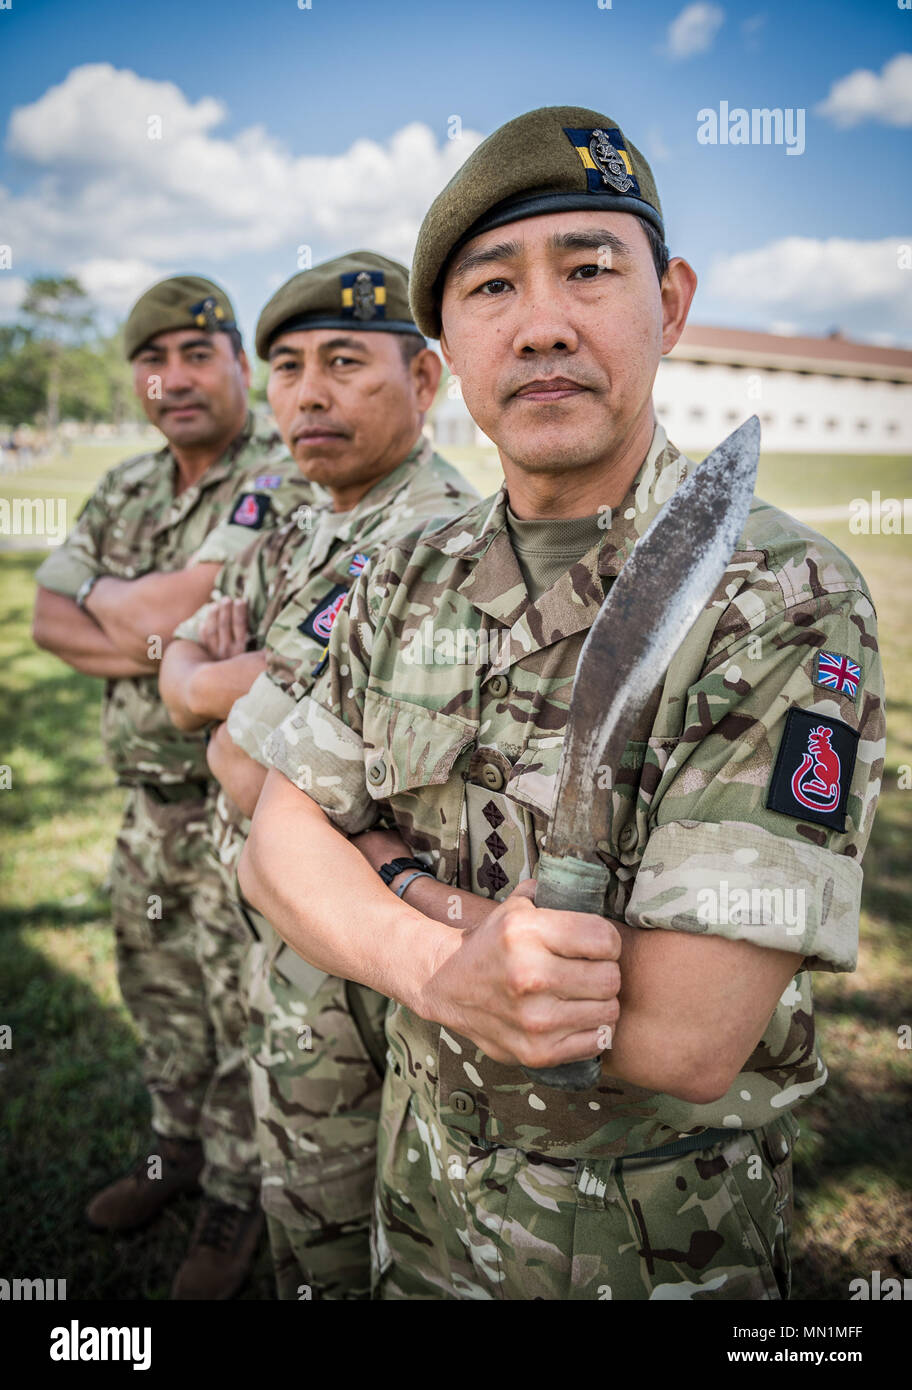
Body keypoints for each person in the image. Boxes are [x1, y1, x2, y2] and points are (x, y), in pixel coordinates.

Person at [239, 106, 886, 1301]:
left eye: (590, 270)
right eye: (491, 288)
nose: (542, 324)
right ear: (449, 341)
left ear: (671, 302)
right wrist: (437, 962)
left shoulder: (779, 597)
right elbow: (274, 844)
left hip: (637, 1249)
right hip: (416, 1197)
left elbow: (686, 1034)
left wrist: (378, 873)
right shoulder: (414, 565)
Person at [158, 252, 479, 1298]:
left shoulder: (423, 531)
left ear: (424, 380)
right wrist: (198, 672)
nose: (309, 393)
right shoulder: (304, 511)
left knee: (341, 1228)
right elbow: (178, 674)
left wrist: (201, 673)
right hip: (283, 910)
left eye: (345, 360)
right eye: (288, 368)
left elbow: (234, 753)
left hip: (354, 960)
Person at [32, 275, 320, 1299]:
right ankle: (173, 1156)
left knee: (245, 1013)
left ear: (240, 365)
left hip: (237, 815)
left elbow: (168, 600)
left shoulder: (279, 475)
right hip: (143, 809)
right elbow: (45, 621)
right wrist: (159, 647)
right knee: (161, 999)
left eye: (199, 354)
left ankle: (235, 1208)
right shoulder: (124, 487)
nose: (175, 378)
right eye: (154, 361)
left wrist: (118, 604)